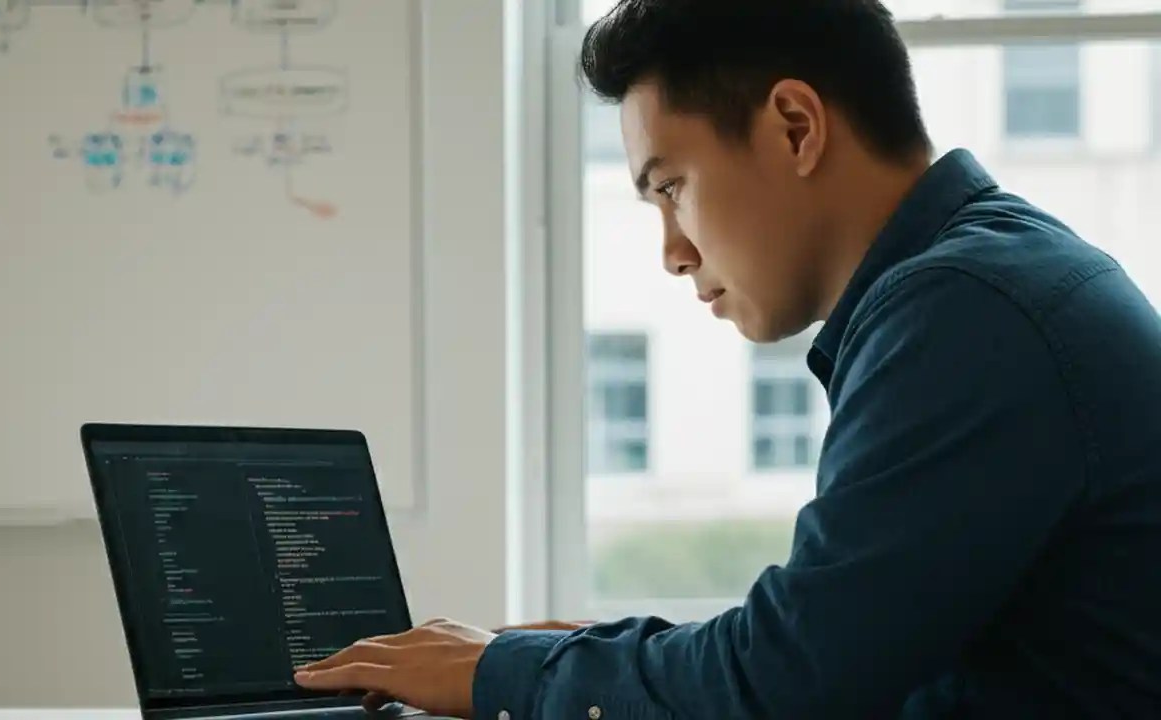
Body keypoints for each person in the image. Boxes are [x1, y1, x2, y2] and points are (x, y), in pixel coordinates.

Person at [295, 0, 1161, 716]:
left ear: (794, 127)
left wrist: (502, 677)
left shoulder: (965, 312)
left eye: (671, 188)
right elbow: (834, 648)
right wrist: (581, 659)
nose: (672, 251)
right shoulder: (992, 274)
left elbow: (784, 685)